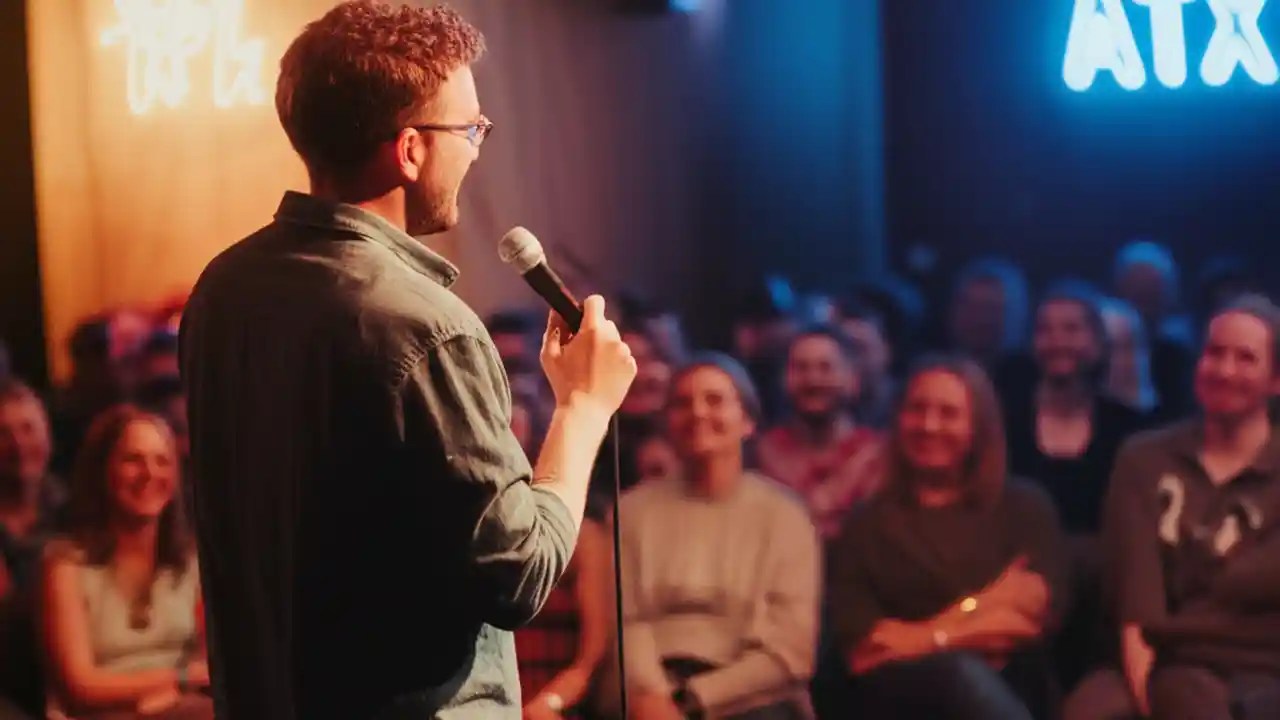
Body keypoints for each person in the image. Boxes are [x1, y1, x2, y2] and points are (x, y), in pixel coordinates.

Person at [178, 3, 636, 719]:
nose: (478, 148)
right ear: (411, 149)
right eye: (470, 129)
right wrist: (582, 409)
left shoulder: (224, 289)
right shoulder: (423, 325)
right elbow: (518, 574)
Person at [1065, 294, 1280, 720]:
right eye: (1214, 353)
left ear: (1276, 381)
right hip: (1157, 660)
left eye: (1245, 358)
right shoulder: (1143, 459)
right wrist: (1154, 702)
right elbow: (1137, 609)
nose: (1224, 370)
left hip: (1261, 668)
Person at [827, 357, 1067, 719]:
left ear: (978, 427)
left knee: (964, 676)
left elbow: (1024, 621)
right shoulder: (867, 523)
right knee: (957, 674)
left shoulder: (1024, 506)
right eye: (917, 409)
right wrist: (982, 608)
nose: (929, 425)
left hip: (1013, 692)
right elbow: (863, 650)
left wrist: (916, 638)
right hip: (900, 703)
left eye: (949, 413)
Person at [619, 354, 820, 720]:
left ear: (747, 420)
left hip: (752, 698)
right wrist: (655, 699)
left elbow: (792, 650)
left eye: (714, 400)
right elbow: (628, 624)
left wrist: (693, 701)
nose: (697, 412)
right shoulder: (631, 512)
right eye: (682, 403)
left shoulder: (786, 516)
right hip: (649, 697)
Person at [41, 406, 210, 720]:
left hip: (183, 708)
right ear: (102, 472)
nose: (149, 474)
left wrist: (171, 697)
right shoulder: (65, 565)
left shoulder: (192, 563)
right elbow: (81, 687)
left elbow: (213, 666)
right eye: (133, 460)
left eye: (162, 461)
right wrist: (179, 680)